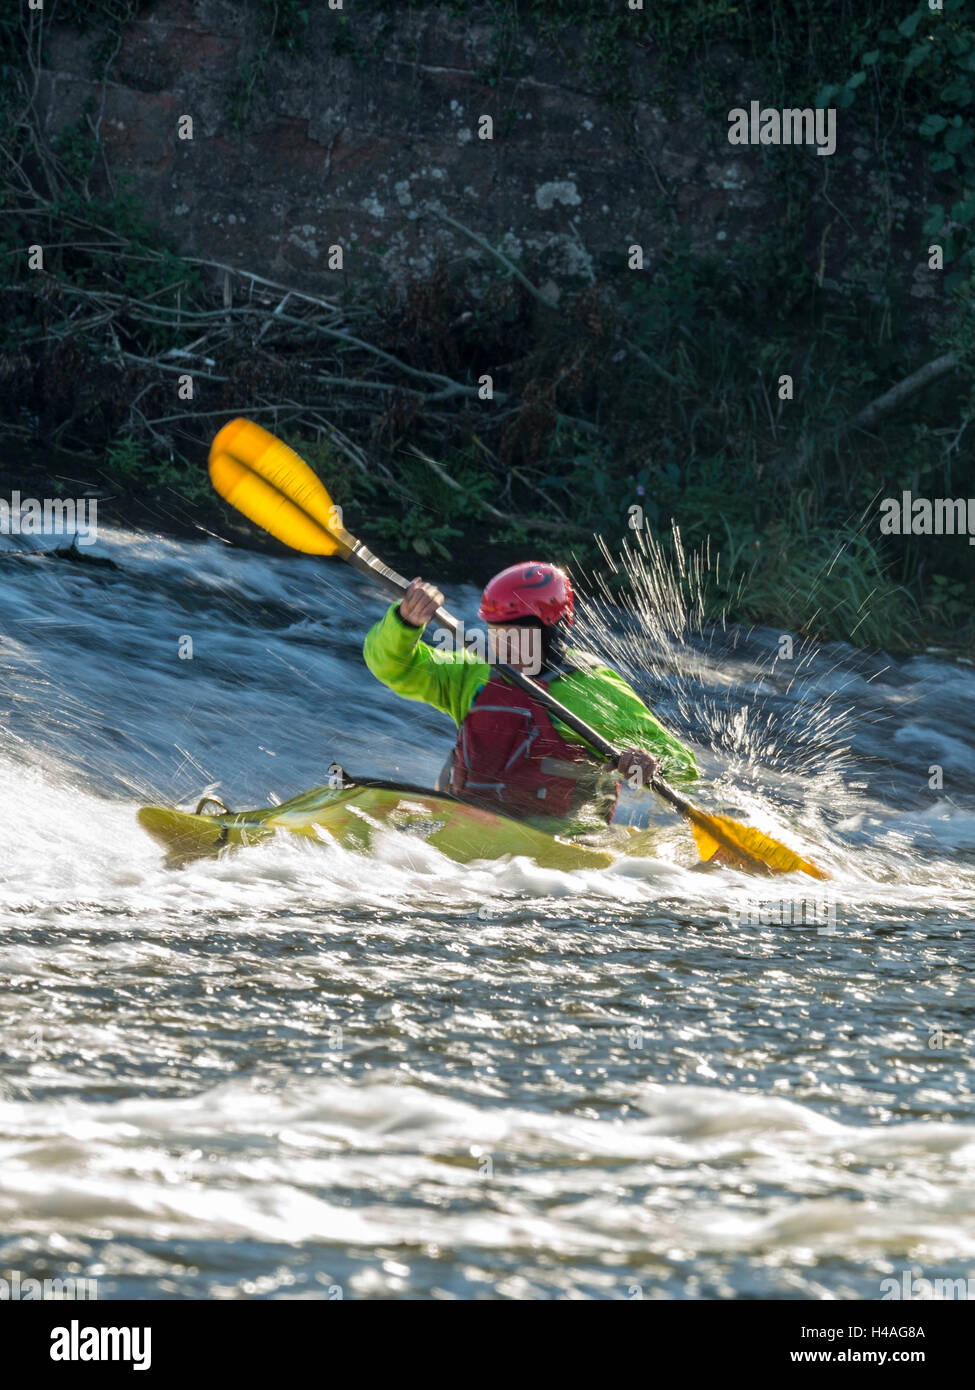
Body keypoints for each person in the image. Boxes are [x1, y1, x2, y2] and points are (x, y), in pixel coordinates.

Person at [363, 561, 699, 835]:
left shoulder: (594, 690)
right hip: (466, 826)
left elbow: (684, 765)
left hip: (557, 848)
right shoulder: (474, 674)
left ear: (551, 632)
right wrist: (405, 622)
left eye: (514, 634)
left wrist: (648, 763)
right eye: (495, 632)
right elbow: (395, 667)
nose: (502, 646)